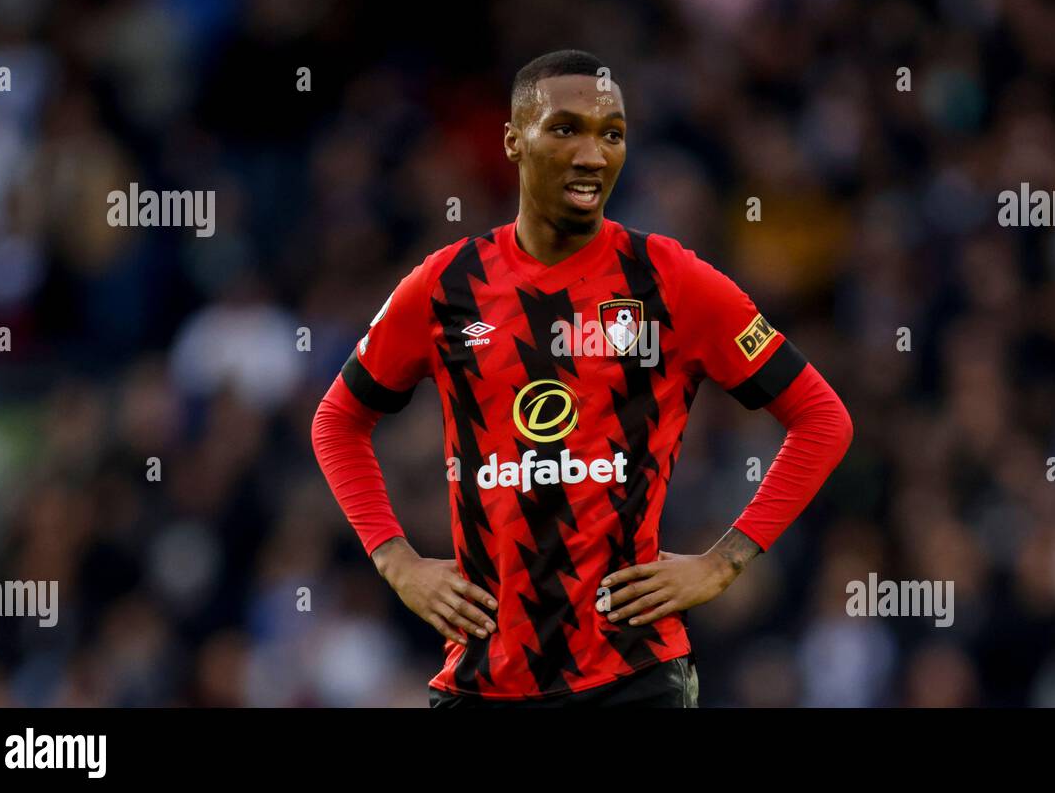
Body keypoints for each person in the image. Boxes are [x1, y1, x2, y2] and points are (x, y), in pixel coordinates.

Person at [312, 50, 853, 707]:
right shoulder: (445, 286)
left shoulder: (669, 280)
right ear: (513, 140)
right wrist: (396, 561)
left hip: (632, 677)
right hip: (485, 677)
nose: (594, 154)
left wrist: (723, 561)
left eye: (612, 133)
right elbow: (338, 419)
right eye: (566, 128)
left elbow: (823, 417)